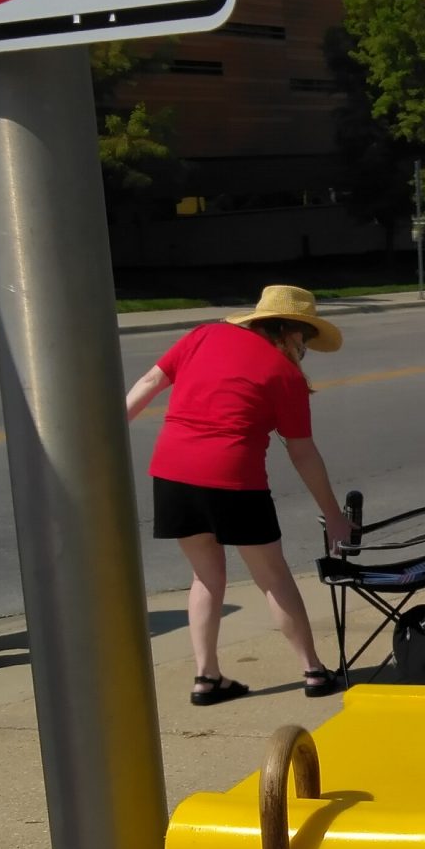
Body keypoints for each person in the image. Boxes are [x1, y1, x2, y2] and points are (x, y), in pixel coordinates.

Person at [122, 285, 353, 705]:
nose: (306, 350)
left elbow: (151, 381)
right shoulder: (286, 376)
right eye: (306, 340)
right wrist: (333, 514)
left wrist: (110, 433)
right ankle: (314, 671)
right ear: (291, 332)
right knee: (272, 577)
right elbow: (302, 452)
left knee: (205, 577)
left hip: (172, 472)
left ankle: (206, 678)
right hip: (234, 478)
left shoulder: (203, 335)